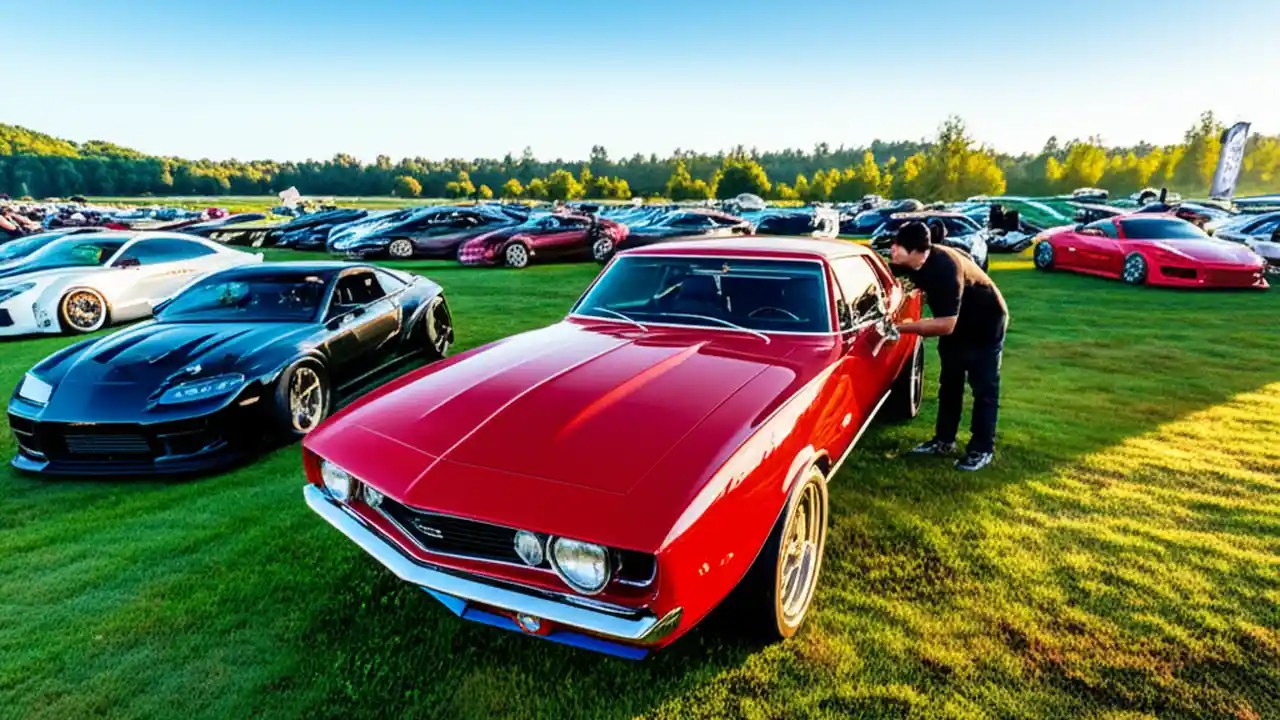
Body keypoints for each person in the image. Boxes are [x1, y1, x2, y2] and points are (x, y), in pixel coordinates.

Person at [890, 221, 1008, 471]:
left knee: (984, 389)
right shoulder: (912, 262)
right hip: (959, 324)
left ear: (913, 251)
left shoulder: (945, 267)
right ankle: (944, 441)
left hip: (985, 325)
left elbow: (945, 326)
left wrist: (899, 328)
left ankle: (981, 449)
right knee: (950, 384)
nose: (892, 250)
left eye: (897, 246)